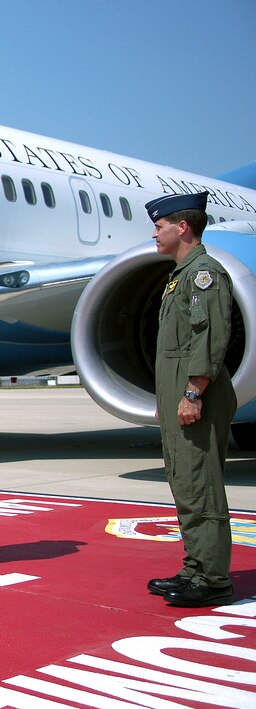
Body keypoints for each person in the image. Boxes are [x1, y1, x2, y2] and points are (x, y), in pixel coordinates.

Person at [144, 190, 237, 608]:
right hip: (180, 396)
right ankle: (196, 566)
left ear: (182, 227)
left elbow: (209, 340)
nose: (154, 233)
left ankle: (213, 579)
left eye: (160, 226)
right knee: (185, 481)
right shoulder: (180, 277)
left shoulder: (205, 275)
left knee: (201, 485)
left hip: (197, 396)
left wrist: (192, 393)